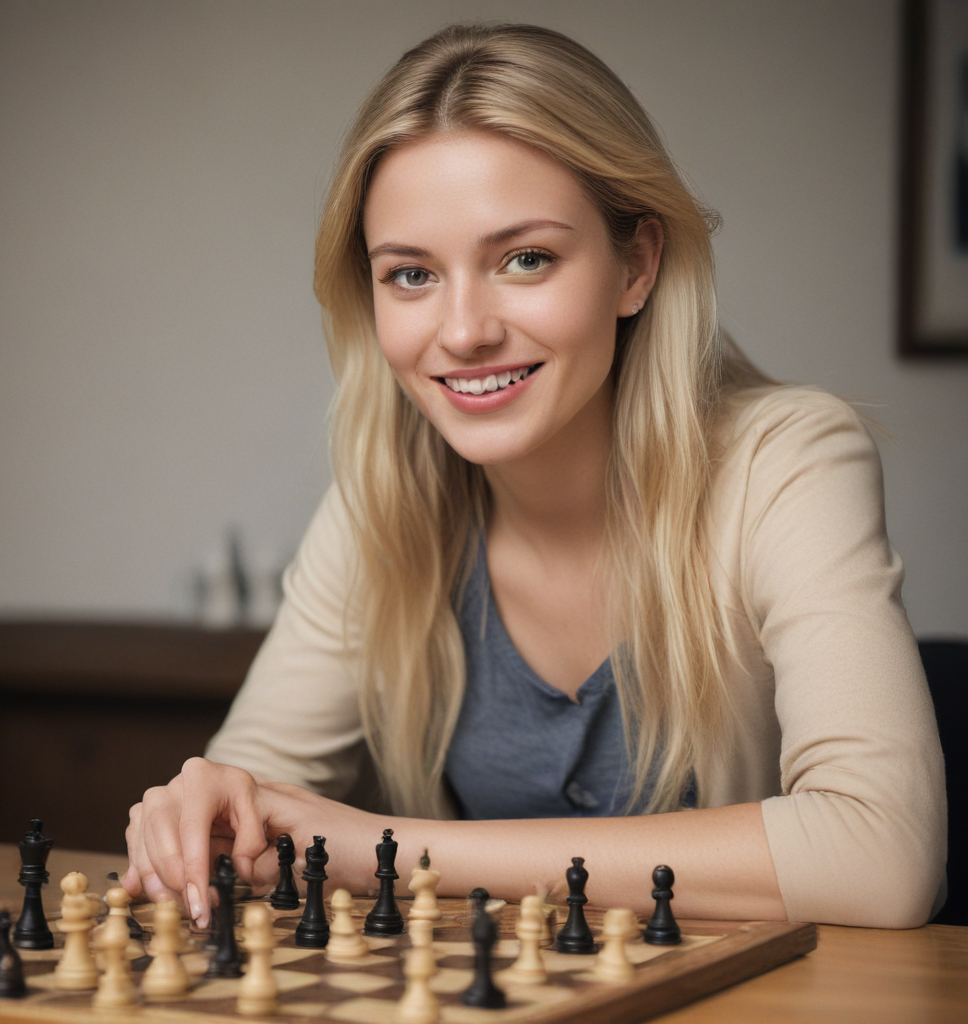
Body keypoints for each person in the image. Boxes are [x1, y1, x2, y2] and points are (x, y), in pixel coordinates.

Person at [123, 23, 945, 931]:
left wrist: (385, 850)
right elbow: (248, 819)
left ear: (636, 265)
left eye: (526, 259)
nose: (465, 329)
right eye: (410, 274)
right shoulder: (385, 499)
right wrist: (202, 811)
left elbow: (885, 857)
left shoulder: (784, 460)